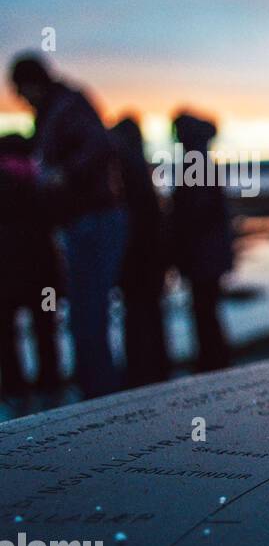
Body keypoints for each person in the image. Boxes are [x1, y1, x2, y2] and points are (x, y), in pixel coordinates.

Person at [8, 54, 125, 398]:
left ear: (32, 83)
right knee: (84, 319)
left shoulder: (66, 106)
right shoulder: (56, 111)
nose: (19, 98)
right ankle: (98, 397)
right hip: (83, 224)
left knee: (88, 319)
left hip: (93, 222)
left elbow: (100, 146)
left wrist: (63, 174)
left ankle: (101, 403)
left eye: (20, 89)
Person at [0, 134, 62, 400]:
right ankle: (50, 382)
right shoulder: (40, 182)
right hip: (42, 272)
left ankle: (14, 386)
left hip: (5, 273)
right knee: (45, 327)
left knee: (6, 331)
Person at [170, 110, 233, 372]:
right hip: (207, 253)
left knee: (204, 309)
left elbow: (196, 213)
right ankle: (213, 360)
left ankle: (211, 363)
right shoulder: (202, 161)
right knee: (206, 309)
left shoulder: (196, 164)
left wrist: (180, 245)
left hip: (202, 254)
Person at [111, 116, 172, 387]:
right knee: (149, 314)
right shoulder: (140, 170)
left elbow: (140, 224)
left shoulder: (128, 172)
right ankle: (155, 370)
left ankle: (141, 372)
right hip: (149, 262)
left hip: (139, 263)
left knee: (139, 315)